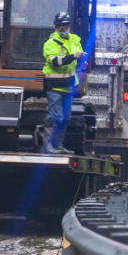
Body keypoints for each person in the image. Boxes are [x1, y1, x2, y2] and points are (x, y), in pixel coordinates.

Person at [41, 11, 86, 154]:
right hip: (54, 86)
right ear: (55, 26)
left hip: (68, 87)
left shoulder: (74, 40)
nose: (62, 27)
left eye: (65, 24)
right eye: (60, 25)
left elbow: (80, 55)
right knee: (55, 117)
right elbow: (55, 62)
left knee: (65, 119)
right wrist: (72, 56)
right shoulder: (50, 44)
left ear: (69, 25)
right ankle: (48, 146)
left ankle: (58, 146)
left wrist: (76, 56)